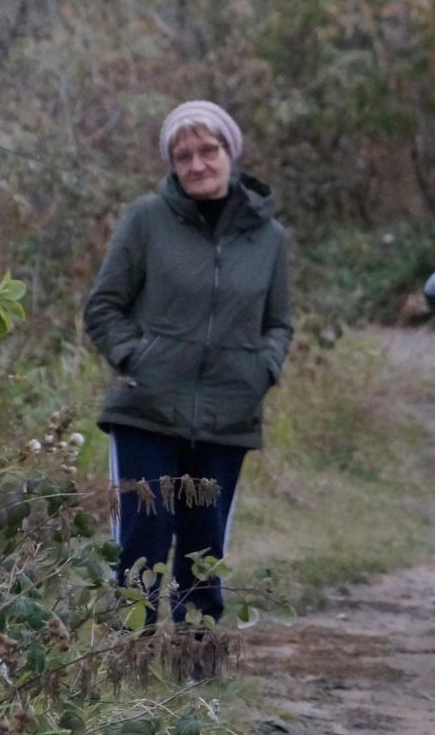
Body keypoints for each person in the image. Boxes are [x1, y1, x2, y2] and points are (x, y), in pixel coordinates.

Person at [83, 100, 292, 630]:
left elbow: (279, 323)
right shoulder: (147, 221)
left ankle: (196, 661)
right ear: (172, 165)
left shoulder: (269, 240)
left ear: (230, 152)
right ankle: (129, 657)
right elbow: (103, 307)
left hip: (228, 414)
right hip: (147, 410)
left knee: (205, 539)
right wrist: (137, 358)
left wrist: (261, 370)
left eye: (208, 150)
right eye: (184, 155)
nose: (198, 164)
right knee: (144, 536)